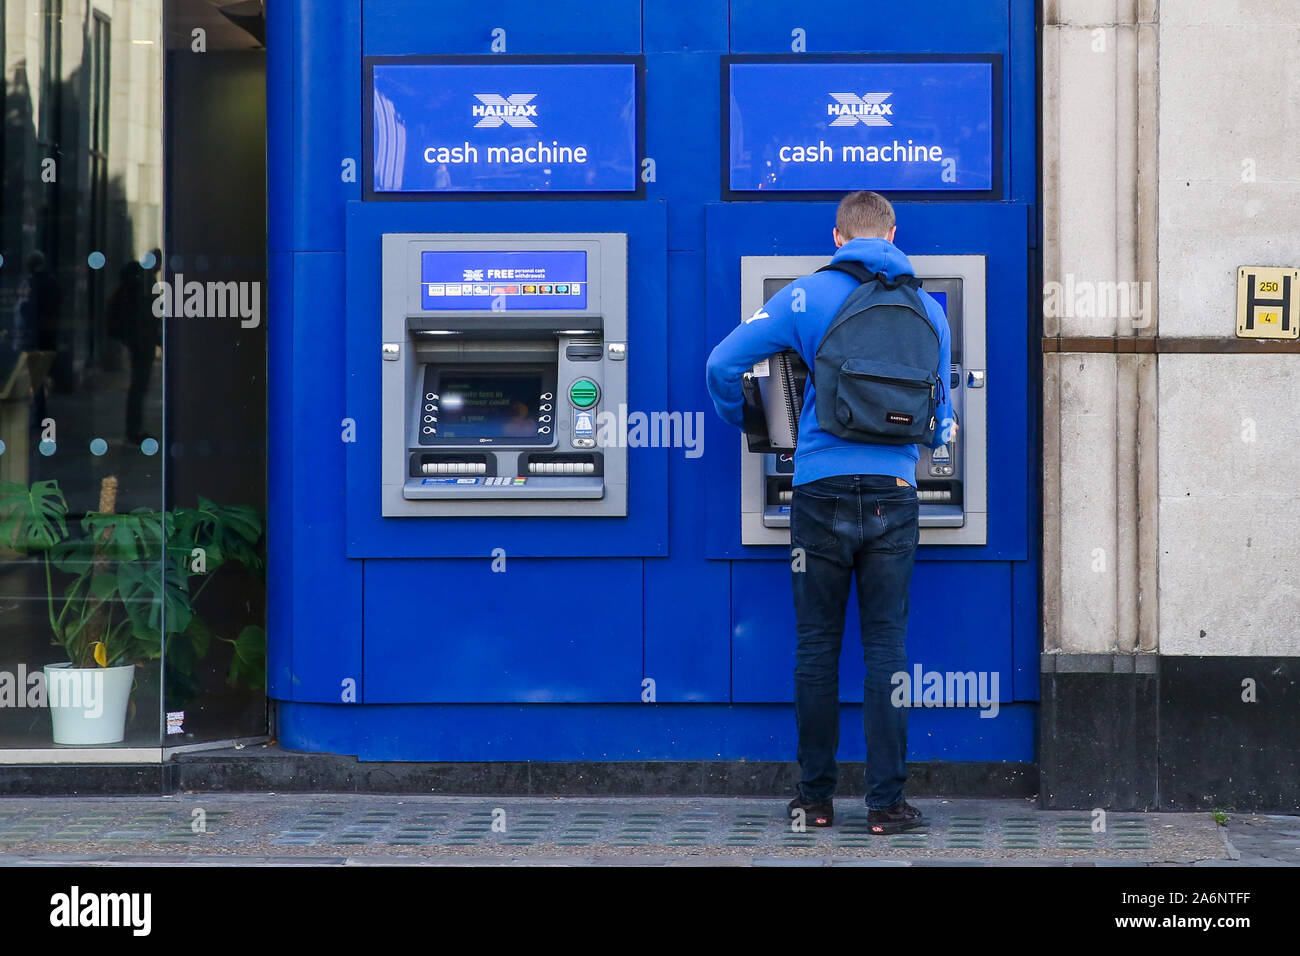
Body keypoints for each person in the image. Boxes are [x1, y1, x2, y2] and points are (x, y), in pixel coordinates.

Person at [705, 191, 954, 833]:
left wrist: (759, 428)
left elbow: (722, 364)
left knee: (817, 648)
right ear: (894, 233)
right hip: (895, 497)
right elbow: (940, 420)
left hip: (818, 493)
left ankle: (813, 801)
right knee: (886, 651)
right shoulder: (929, 308)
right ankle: (886, 806)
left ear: (837, 236)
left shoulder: (804, 296)